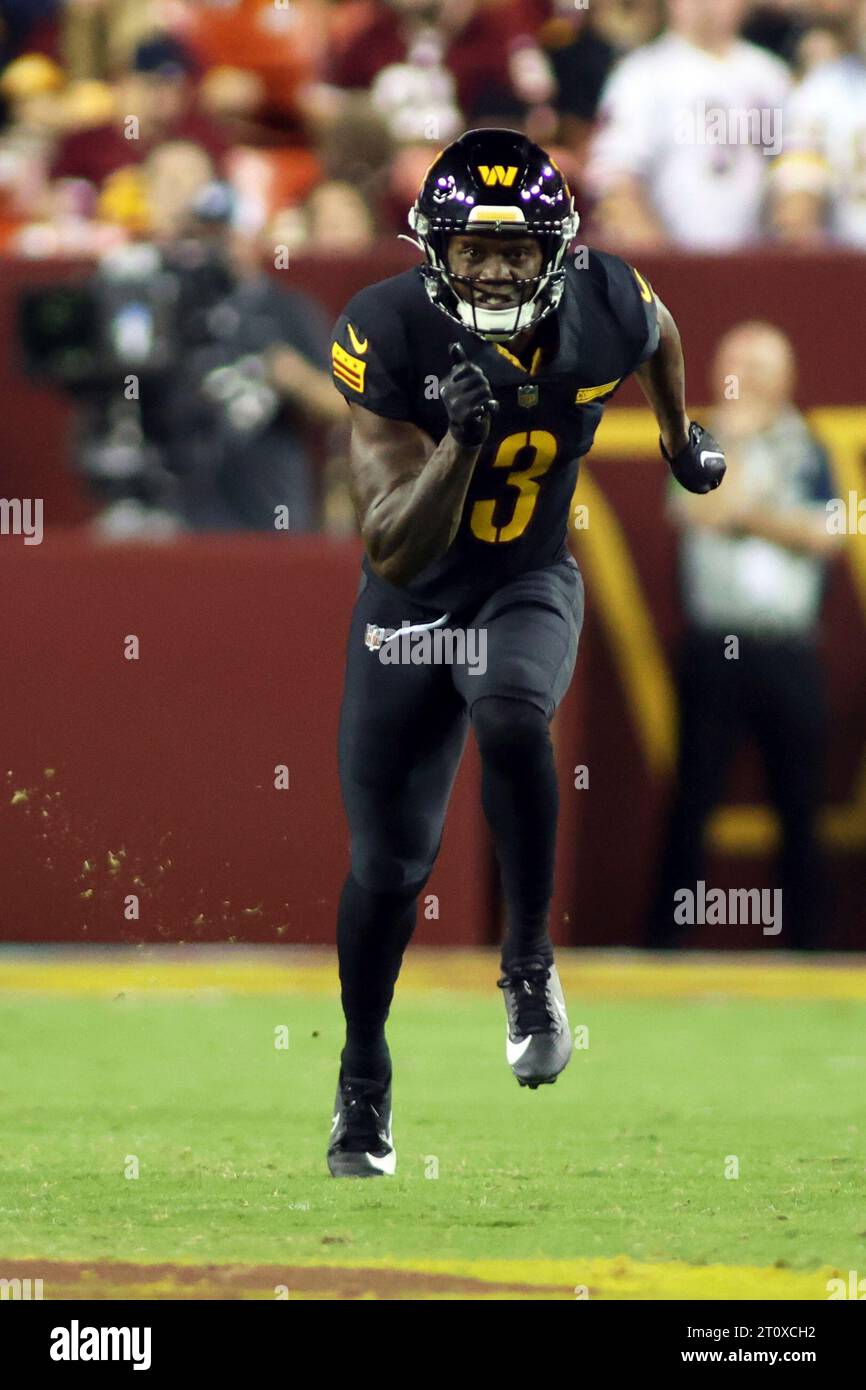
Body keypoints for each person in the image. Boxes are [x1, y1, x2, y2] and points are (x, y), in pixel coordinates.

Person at [325, 126, 726, 1177]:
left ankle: (528, 964)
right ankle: (361, 1080)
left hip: (527, 576)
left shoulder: (603, 297)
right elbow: (390, 541)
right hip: (411, 602)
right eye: (474, 249)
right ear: (433, 253)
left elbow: (659, 330)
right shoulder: (385, 328)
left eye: (516, 249)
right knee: (386, 867)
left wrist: (680, 440)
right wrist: (457, 440)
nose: (497, 268)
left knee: (510, 712)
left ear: (558, 251)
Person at [647, 322, 842, 951]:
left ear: (786, 375)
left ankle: (809, 949)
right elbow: (692, 509)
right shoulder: (698, 436)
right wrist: (760, 508)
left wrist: (748, 515)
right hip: (714, 648)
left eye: (762, 365)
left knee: (801, 802)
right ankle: (664, 948)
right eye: (740, 364)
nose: (750, 379)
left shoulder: (809, 446)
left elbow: (827, 533)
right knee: (693, 796)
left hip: (788, 647)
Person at [584, 0, 790, 250]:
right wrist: (667, 270)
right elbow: (615, 185)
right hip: (673, 264)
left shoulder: (770, 76)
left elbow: (795, 180)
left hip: (755, 265)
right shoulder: (641, 75)